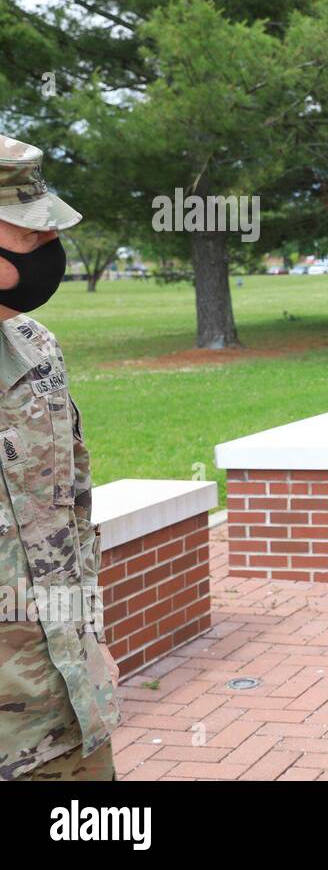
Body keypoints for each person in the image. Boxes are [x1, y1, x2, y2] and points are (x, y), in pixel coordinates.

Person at [0, 135, 120, 781]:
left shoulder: (38, 349)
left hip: (72, 707)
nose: (52, 251)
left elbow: (72, 517)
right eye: (31, 235)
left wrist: (93, 642)